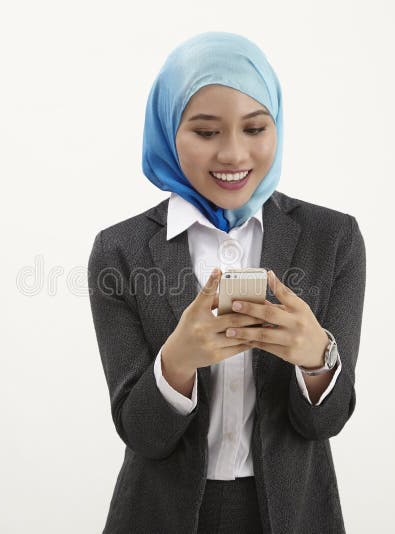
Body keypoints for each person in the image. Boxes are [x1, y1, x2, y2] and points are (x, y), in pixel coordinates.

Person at [87, 31, 366, 534]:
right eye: (207, 132)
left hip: (292, 515)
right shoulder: (120, 251)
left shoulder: (334, 240)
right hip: (160, 516)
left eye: (255, 127)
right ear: (169, 130)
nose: (234, 154)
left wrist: (315, 355)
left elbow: (325, 422)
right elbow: (142, 434)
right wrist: (178, 361)